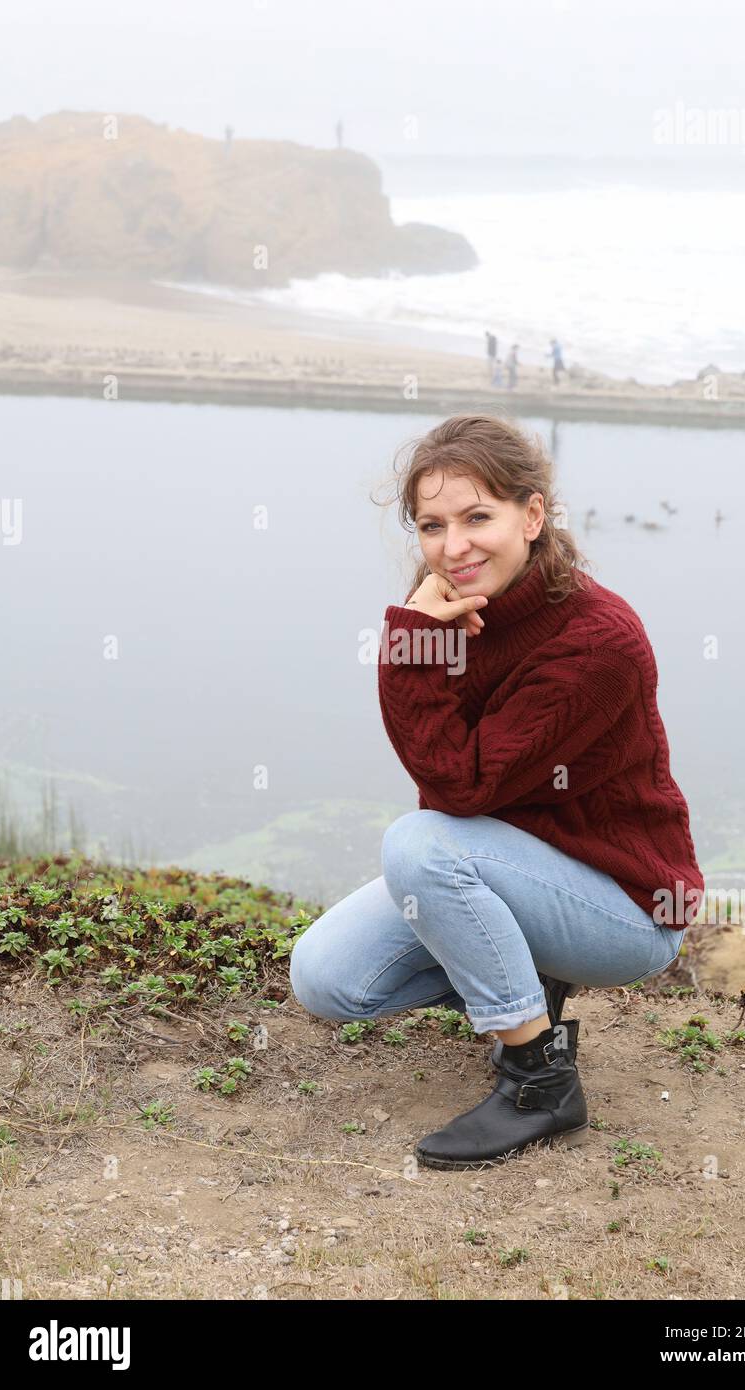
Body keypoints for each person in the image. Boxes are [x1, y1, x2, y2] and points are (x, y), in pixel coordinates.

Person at [289, 414, 705, 1171]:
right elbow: (450, 777)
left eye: (479, 516)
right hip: (514, 874)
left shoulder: (596, 641)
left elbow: (459, 787)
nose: (455, 545)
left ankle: (539, 1082)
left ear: (533, 515)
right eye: (433, 524)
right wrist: (423, 638)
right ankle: (527, 985)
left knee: (419, 843)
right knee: (327, 978)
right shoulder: (451, 612)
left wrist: (408, 652)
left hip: (625, 906)